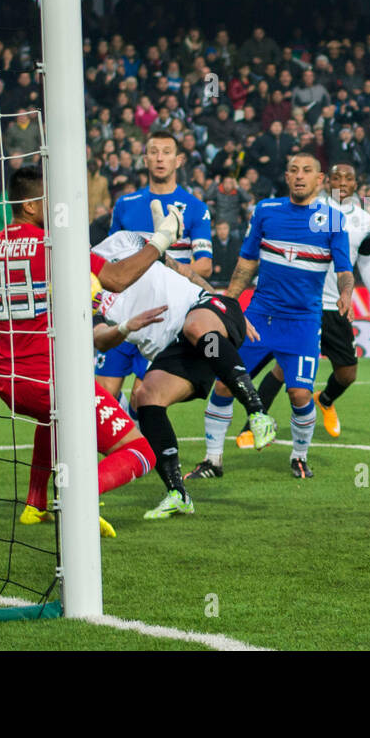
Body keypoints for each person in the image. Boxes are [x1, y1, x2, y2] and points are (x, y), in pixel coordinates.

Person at [0, 166, 171, 537]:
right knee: (141, 452)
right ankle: (78, 497)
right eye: (50, 198)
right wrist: (159, 243)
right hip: (54, 377)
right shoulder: (54, 245)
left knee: (54, 421)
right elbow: (117, 277)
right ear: (30, 205)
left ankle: (35, 504)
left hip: (9, 380)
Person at [89, 211, 271, 520]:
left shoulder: (122, 242)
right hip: (174, 349)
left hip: (201, 308)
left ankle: (256, 411)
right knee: (145, 398)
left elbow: (177, 268)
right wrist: (124, 328)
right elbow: (99, 338)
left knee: (196, 327)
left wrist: (224, 306)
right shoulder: (72, 291)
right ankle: (177, 492)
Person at [191, 153, 353, 480]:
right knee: (224, 383)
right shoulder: (266, 211)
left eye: (307, 171)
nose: (299, 176)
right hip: (259, 317)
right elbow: (247, 261)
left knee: (299, 394)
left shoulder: (334, 219)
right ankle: (213, 460)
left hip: (304, 323)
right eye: (293, 170)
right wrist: (229, 303)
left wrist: (346, 292)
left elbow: (344, 269)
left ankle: (299, 456)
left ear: (319, 180)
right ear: (286, 175)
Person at [251, 162, 370, 442]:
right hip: (303, 304)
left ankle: (326, 400)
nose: (342, 182)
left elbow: (366, 264)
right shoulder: (308, 210)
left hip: (337, 307)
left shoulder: (364, 222)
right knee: (283, 367)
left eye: (348, 178)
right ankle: (254, 425)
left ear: (357, 184)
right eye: (336, 177)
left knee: (347, 373)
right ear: (327, 181)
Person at [96, 131, 213, 401]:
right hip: (123, 310)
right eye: (154, 152)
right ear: (145, 159)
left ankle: (139, 441)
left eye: (167, 152)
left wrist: (165, 265)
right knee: (103, 395)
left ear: (179, 160)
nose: (160, 158)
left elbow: (204, 266)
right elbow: (108, 257)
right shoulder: (125, 204)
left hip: (164, 314)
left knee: (144, 394)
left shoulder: (195, 207)